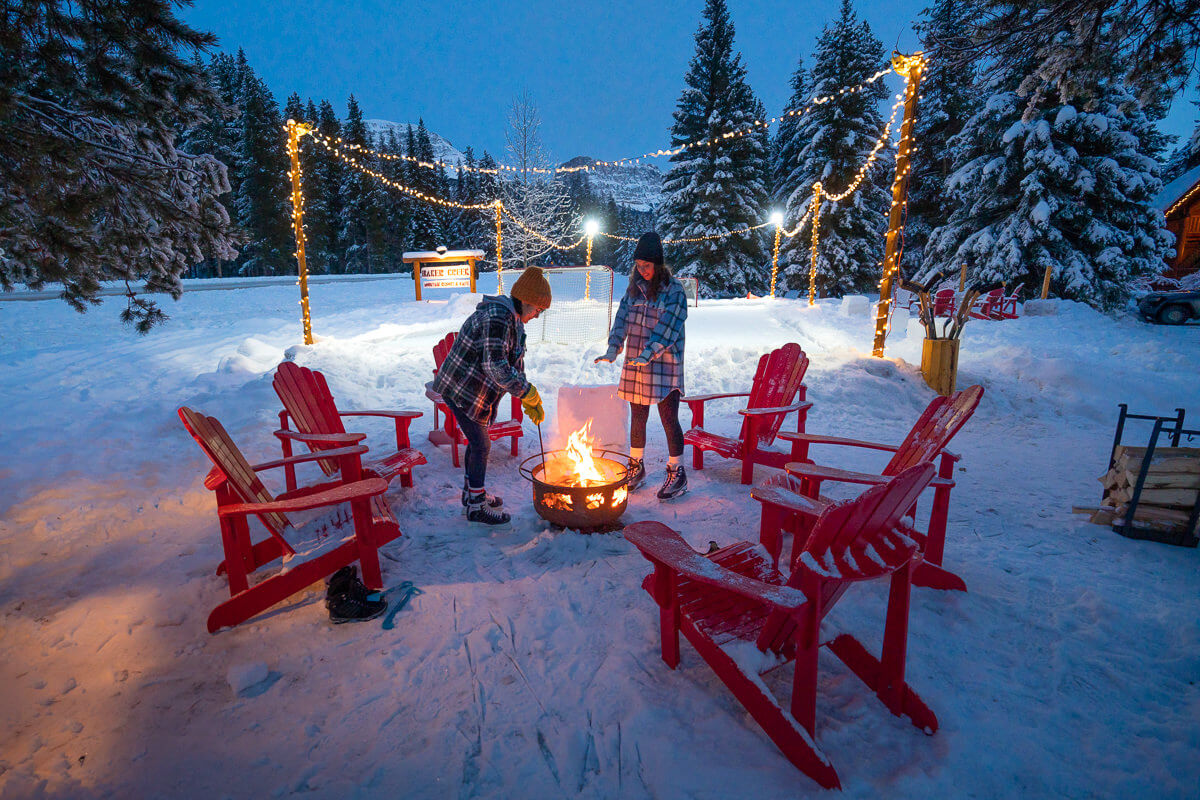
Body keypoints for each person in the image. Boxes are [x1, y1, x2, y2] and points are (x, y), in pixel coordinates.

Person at [432, 266, 549, 525]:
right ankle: (476, 506)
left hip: (473, 391)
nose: (538, 316)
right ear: (528, 301)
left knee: (477, 444)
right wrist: (525, 392)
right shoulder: (497, 317)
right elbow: (495, 366)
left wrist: (527, 394)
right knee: (481, 444)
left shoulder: (514, 322)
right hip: (460, 388)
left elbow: (514, 364)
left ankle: (472, 493)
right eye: (539, 310)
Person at [595, 232, 689, 500]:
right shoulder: (633, 290)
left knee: (669, 418)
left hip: (665, 367)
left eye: (647, 266)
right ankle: (637, 467)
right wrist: (613, 348)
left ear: (658, 265)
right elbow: (622, 319)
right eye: (638, 265)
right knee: (638, 417)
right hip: (637, 364)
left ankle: (677, 470)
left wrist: (649, 353)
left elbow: (668, 329)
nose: (642, 270)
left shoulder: (674, 292)